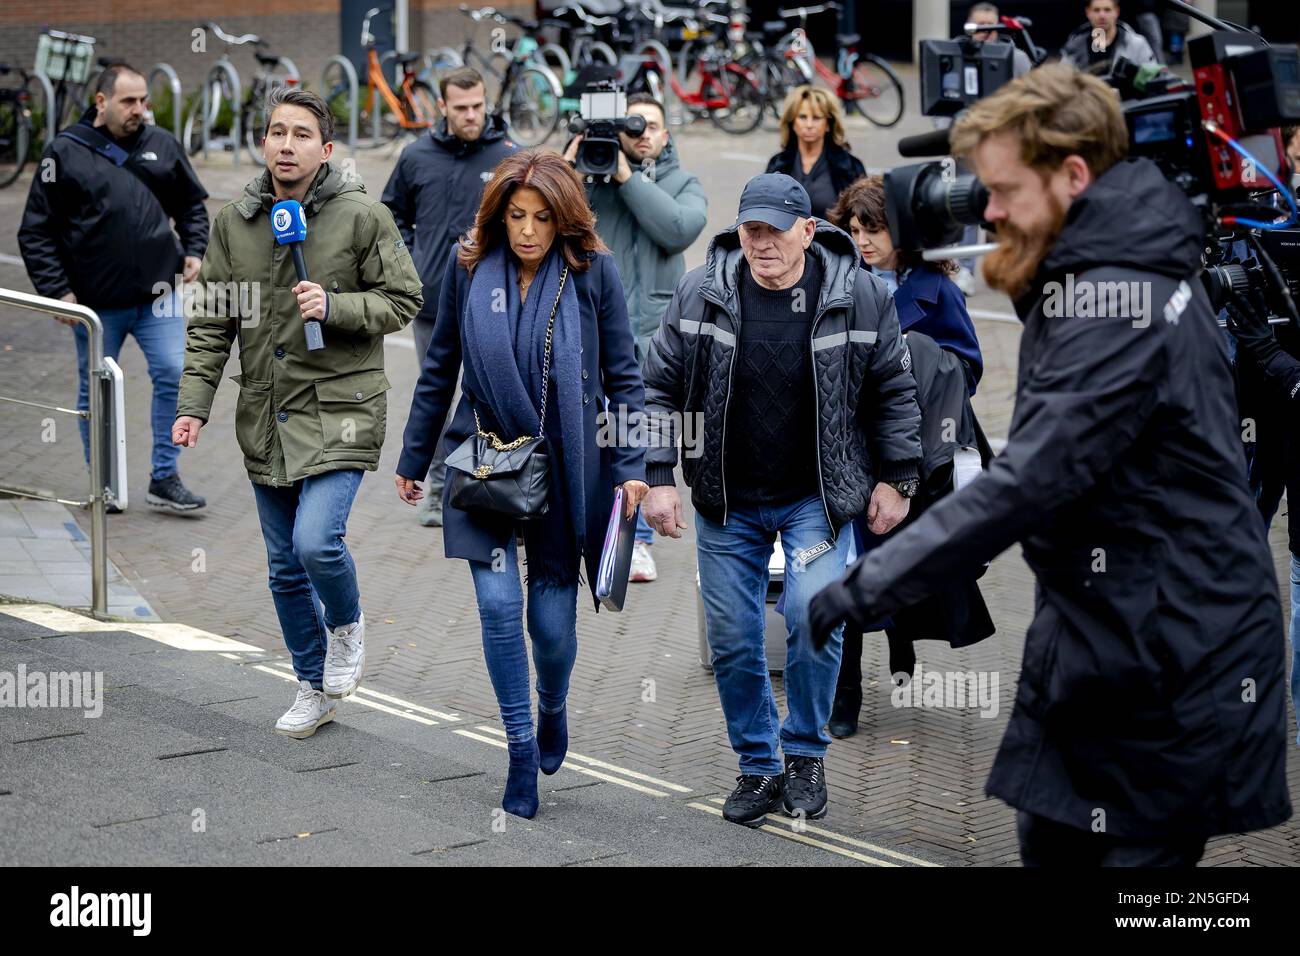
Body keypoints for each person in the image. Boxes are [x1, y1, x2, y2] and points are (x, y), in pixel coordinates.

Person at [809, 63, 1292, 865]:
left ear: (1074, 175)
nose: (988, 210)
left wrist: (858, 592)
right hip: (1110, 643)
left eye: (1003, 190)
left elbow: (1026, 479)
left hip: (1169, 670)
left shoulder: (1122, 297)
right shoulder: (1117, 261)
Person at [641, 173, 922, 827]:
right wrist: (657, 476)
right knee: (736, 641)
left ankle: (804, 753)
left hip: (814, 498)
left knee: (813, 615)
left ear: (808, 229)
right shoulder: (701, 290)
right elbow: (658, 387)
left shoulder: (860, 296)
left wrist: (899, 479)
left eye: (775, 230)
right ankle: (758, 765)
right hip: (729, 497)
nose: (762, 243)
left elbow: (894, 391)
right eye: (751, 230)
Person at [394, 149, 648, 820]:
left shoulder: (595, 272)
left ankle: (552, 706)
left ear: (563, 219)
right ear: (499, 215)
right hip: (484, 461)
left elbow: (626, 378)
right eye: (516, 216)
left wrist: (630, 473)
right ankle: (517, 751)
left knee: (552, 632)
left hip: (571, 469)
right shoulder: (470, 265)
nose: (528, 230)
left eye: (541, 217)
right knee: (501, 610)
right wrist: (414, 458)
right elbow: (440, 362)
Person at [174, 88, 422, 738]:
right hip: (268, 416)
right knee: (284, 565)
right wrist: (193, 406)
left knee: (317, 542)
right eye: (277, 132)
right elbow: (210, 323)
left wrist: (335, 307)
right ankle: (312, 685)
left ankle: (347, 627)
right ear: (265, 143)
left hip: (342, 410)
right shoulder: (235, 223)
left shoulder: (362, 216)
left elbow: (404, 298)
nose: (287, 144)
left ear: (327, 148)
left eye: (302, 134)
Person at [825, 175, 991, 738]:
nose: (864, 240)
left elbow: (967, 367)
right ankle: (842, 695)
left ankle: (898, 637)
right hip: (847, 450)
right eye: (855, 229)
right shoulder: (834, 281)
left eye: (876, 229)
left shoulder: (936, 290)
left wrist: (910, 358)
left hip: (911, 456)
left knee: (896, 568)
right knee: (841, 567)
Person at [19, 62, 209, 513]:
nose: (140, 110)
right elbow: (36, 232)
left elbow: (192, 208)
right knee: (98, 391)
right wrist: (58, 292)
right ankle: (104, 487)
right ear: (101, 102)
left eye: (144, 100)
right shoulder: (63, 153)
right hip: (95, 305)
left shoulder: (162, 144)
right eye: (129, 101)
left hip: (157, 296)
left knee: (174, 373)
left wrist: (195, 250)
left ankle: (164, 477)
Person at [563, 92, 708, 584]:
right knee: (598, 437)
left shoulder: (682, 182)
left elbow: (676, 229)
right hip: (592, 333)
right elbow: (553, 220)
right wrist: (570, 168)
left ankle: (639, 543)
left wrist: (627, 178)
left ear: (667, 135)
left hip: (656, 337)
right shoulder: (591, 181)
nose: (643, 133)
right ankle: (595, 535)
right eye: (634, 125)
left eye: (652, 126)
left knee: (642, 438)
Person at [382, 67, 517, 528]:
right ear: (442, 107)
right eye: (461, 107)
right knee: (437, 394)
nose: (471, 115)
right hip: (433, 301)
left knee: (493, 397)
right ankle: (438, 483)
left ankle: (493, 484)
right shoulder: (416, 156)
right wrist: (410, 258)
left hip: (495, 305)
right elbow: (391, 214)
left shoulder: (508, 156)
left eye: (478, 105)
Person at [765, 86, 865, 223]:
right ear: (792, 122)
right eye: (802, 117)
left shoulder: (849, 166)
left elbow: (862, 217)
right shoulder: (777, 164)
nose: (809, 124)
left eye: (817, 118)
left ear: (829, 124)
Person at [1060, 0, 1158, 71]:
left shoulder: (1136, 44)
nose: (1102, 15)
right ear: (1088, 13)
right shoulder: (1075, 46)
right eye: (1096, 10)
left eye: (1107, 10)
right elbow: (1062, 82)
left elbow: (1152, 78)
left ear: (1117, 12)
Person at [968, 2, 1033, 77]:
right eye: (981, 25)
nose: (986, 30)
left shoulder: (1015, 57)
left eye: (991, 25)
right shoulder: (958, 54)